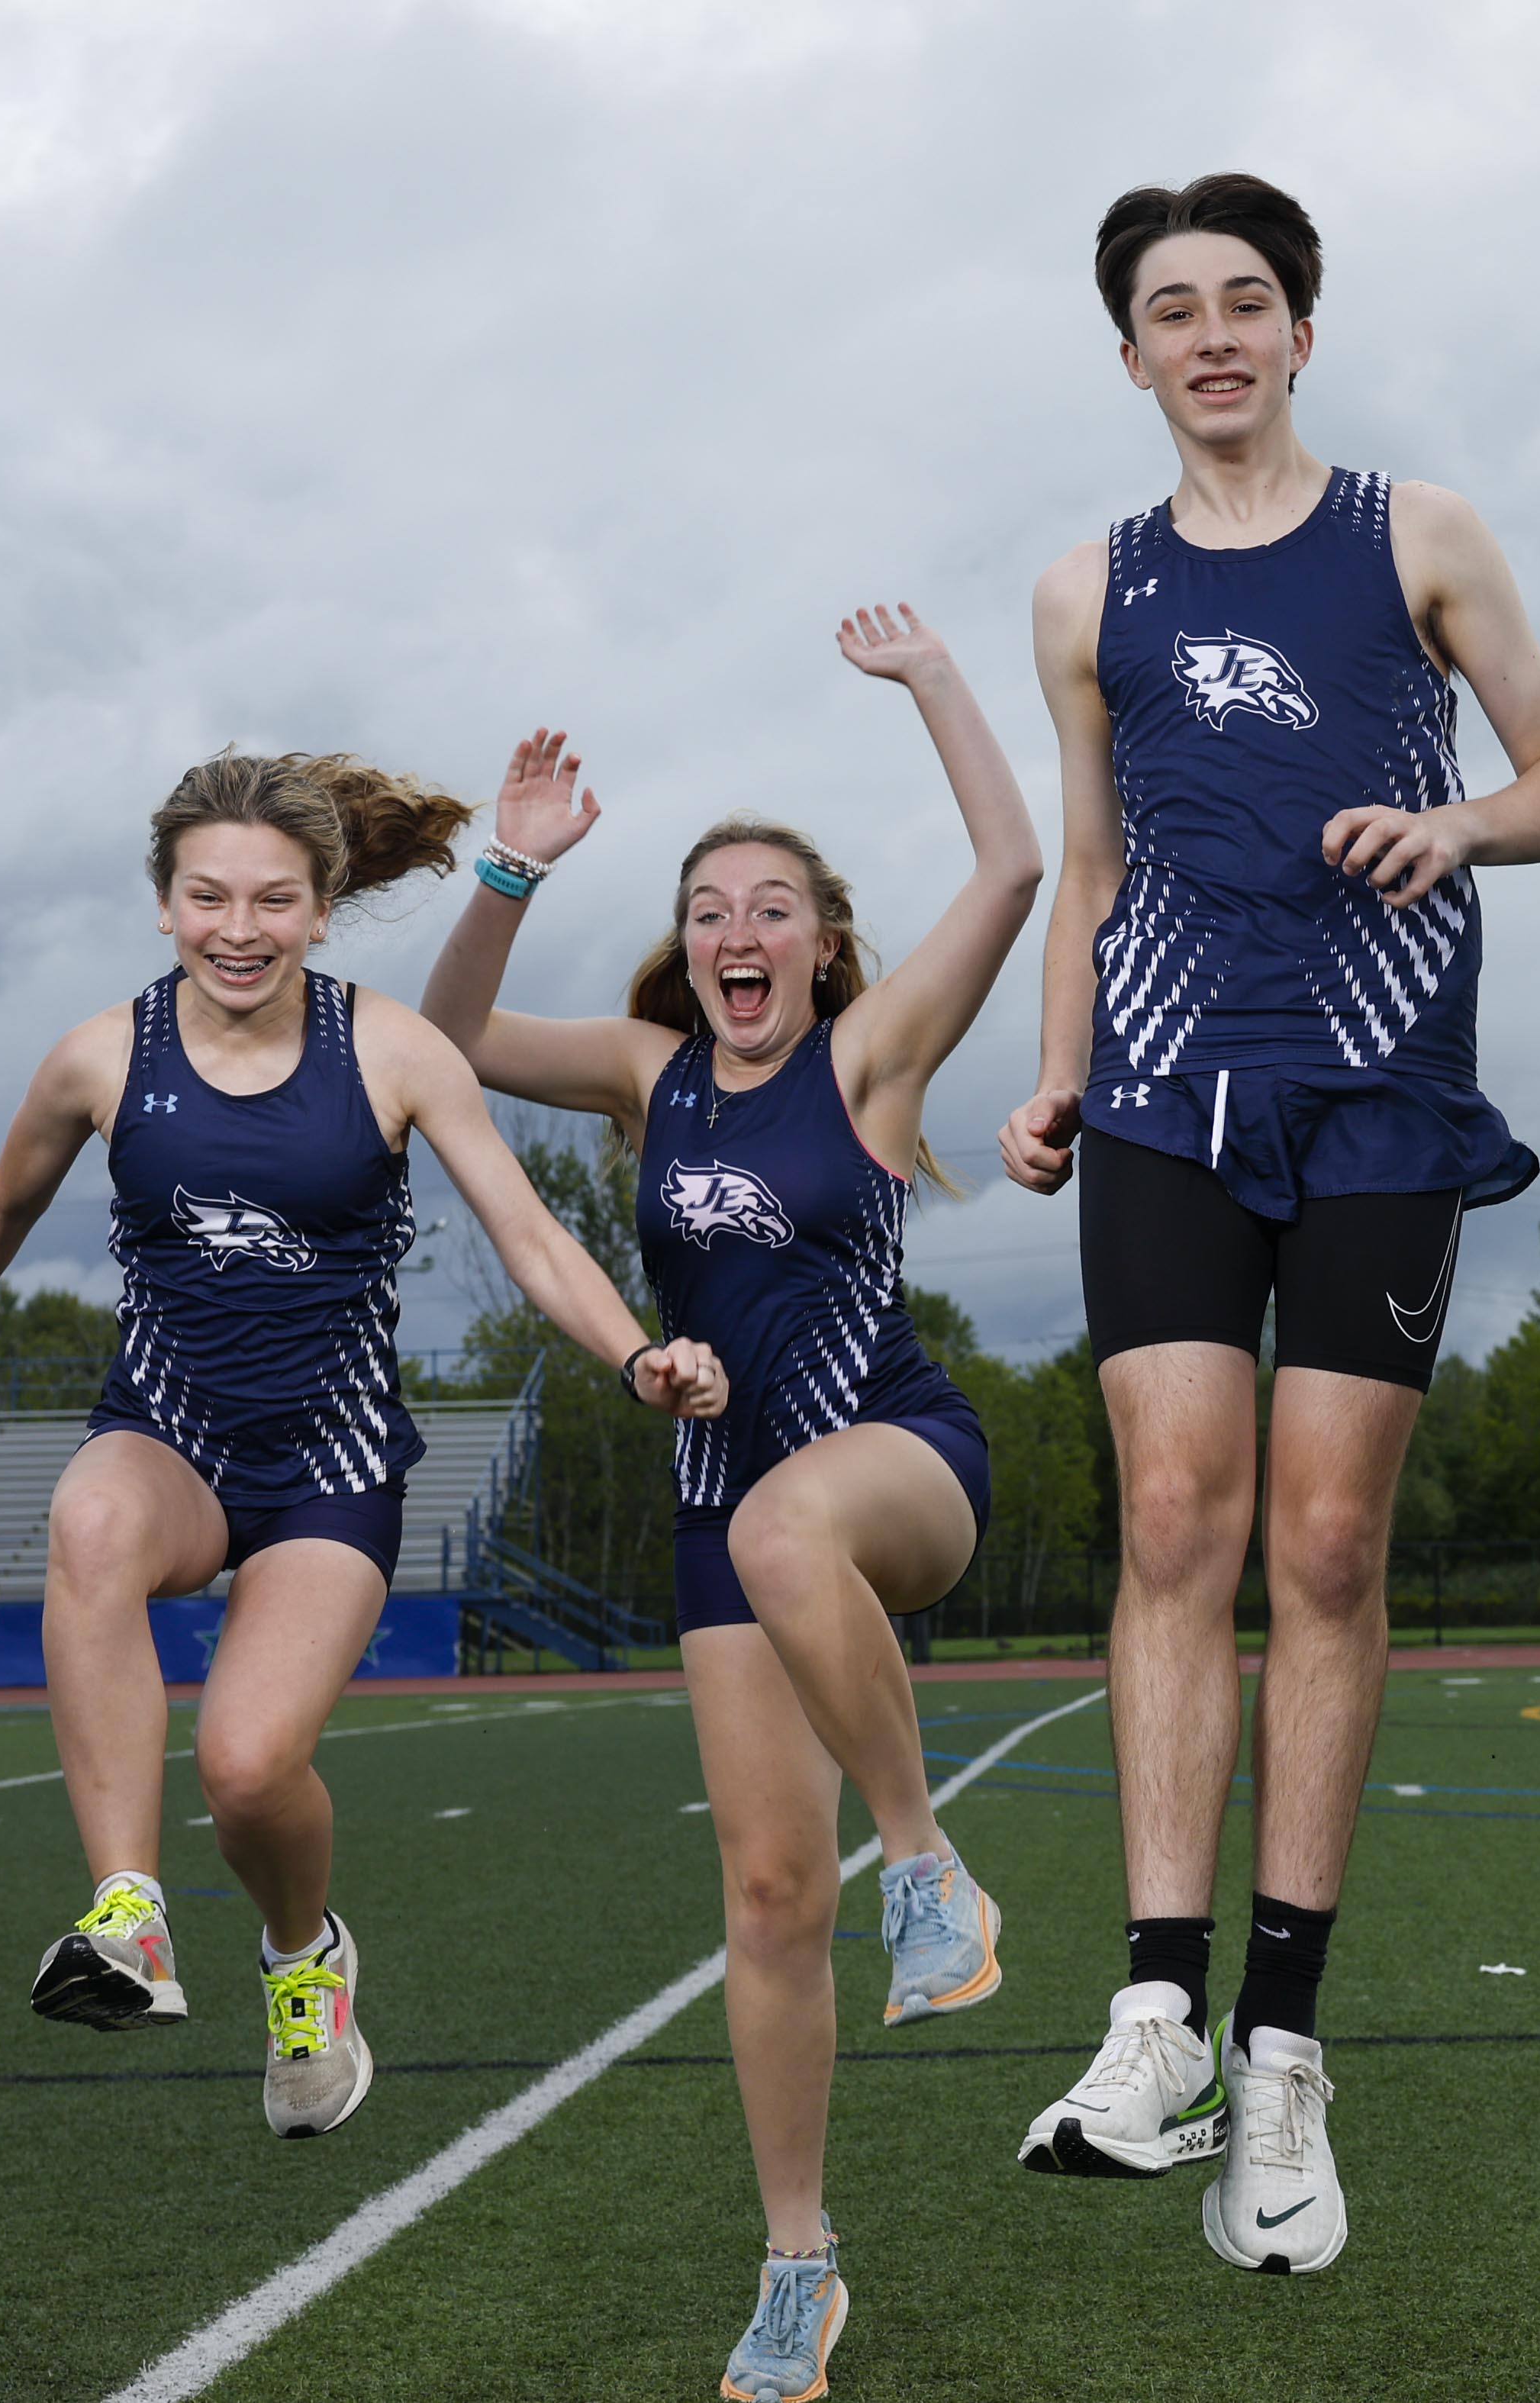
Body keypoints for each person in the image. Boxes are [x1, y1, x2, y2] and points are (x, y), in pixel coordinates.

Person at [994, 172, 1540, 2275]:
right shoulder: (1086, 590)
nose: (1213, 335)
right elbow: (1087, 866)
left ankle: (1281, 2046)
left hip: (1380, 1093)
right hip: (1166, 1086)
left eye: (1246, 300)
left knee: (1328, 1543)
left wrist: (1452, 819)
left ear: (1300, 330)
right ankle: (1155, 2005)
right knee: (1174, 1515)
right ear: (1133, 353)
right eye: (1173, 309)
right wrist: (1056, 1064)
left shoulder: (1415, 535)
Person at [0, 754, 725, 2144]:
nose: (240, 927)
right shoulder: (100, 1055)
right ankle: (129, 1916)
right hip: (170, 1434)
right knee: (86, 1524)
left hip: (329, 1463)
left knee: (251, 1769)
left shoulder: (389, 1049)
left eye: (274, 899)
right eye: (208, 896)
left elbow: (526, 1232)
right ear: (164, 905)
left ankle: (302, 1958)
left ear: (324, 907)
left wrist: (635, 1353)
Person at [416, 604, 1041, 2403]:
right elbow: (442, 1038)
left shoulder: (867, 1064)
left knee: (789, 1524)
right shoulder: (651, 1079)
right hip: (716, 1504)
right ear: (683, 958)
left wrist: (933, 681)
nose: (736, 934)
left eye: (771, 909)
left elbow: (1012, 866)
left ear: (826, 949)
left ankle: (926, 1867)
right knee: (769, 1894)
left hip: (894, 1463)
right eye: (708, 914)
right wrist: (509, 868)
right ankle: (797, 2267)